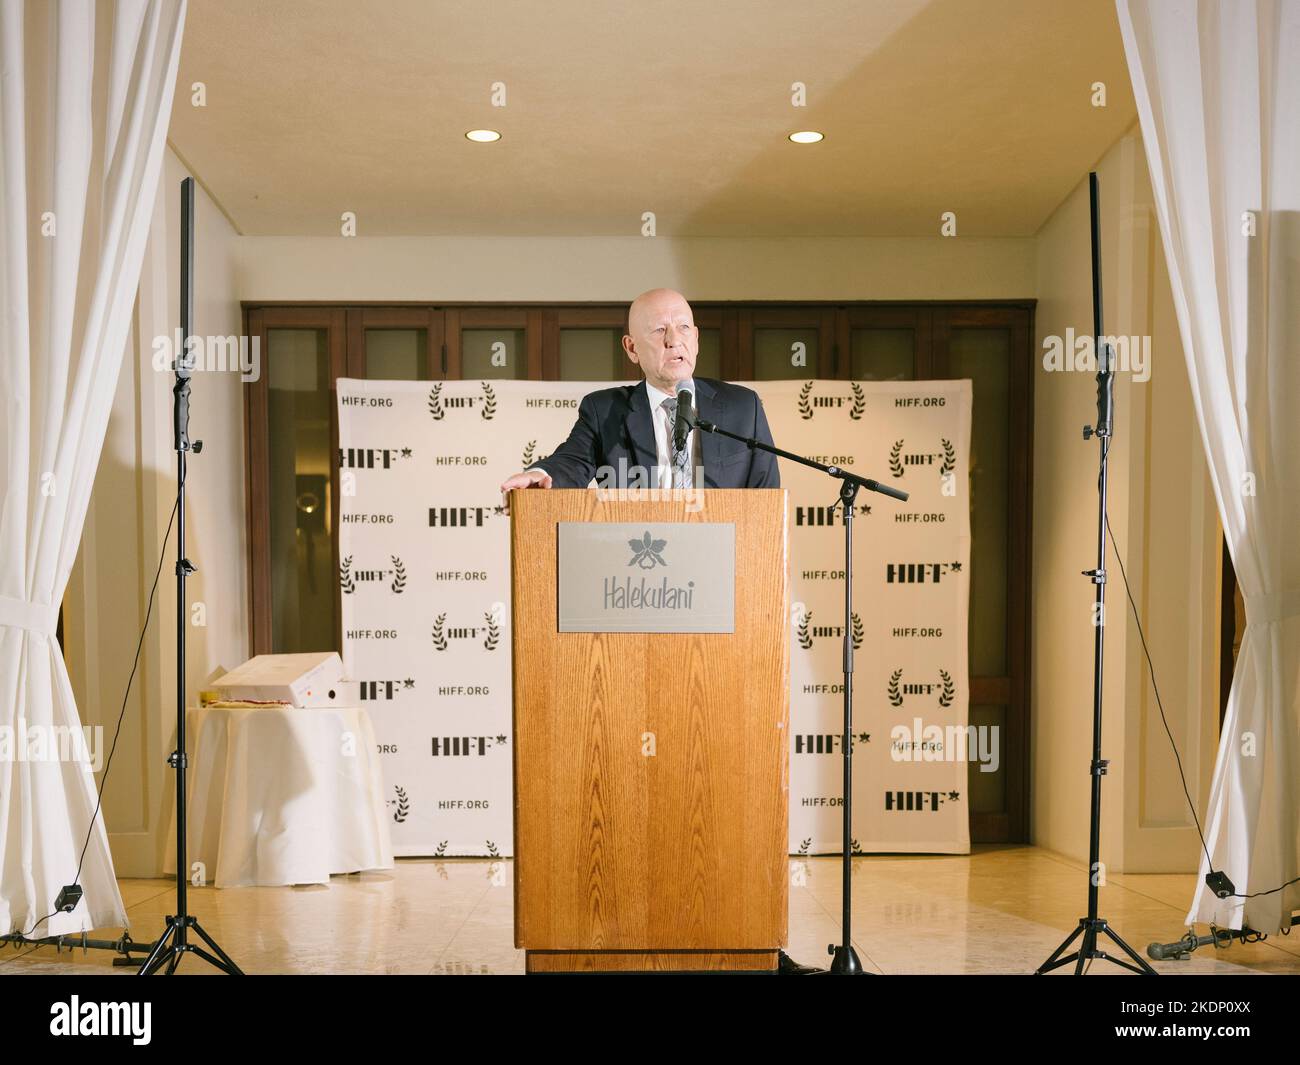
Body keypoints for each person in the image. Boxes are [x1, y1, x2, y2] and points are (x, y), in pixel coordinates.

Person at [499, 288, 780, 493]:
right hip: (641, 564)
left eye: (683, 328)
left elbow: (765, 499)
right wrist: (541, 473)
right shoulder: (604, 411)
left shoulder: (743, 407)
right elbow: (572, 461)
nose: (673, 340)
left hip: (724, 563)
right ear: (632, 348)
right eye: (659, 330)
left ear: (695, 340)